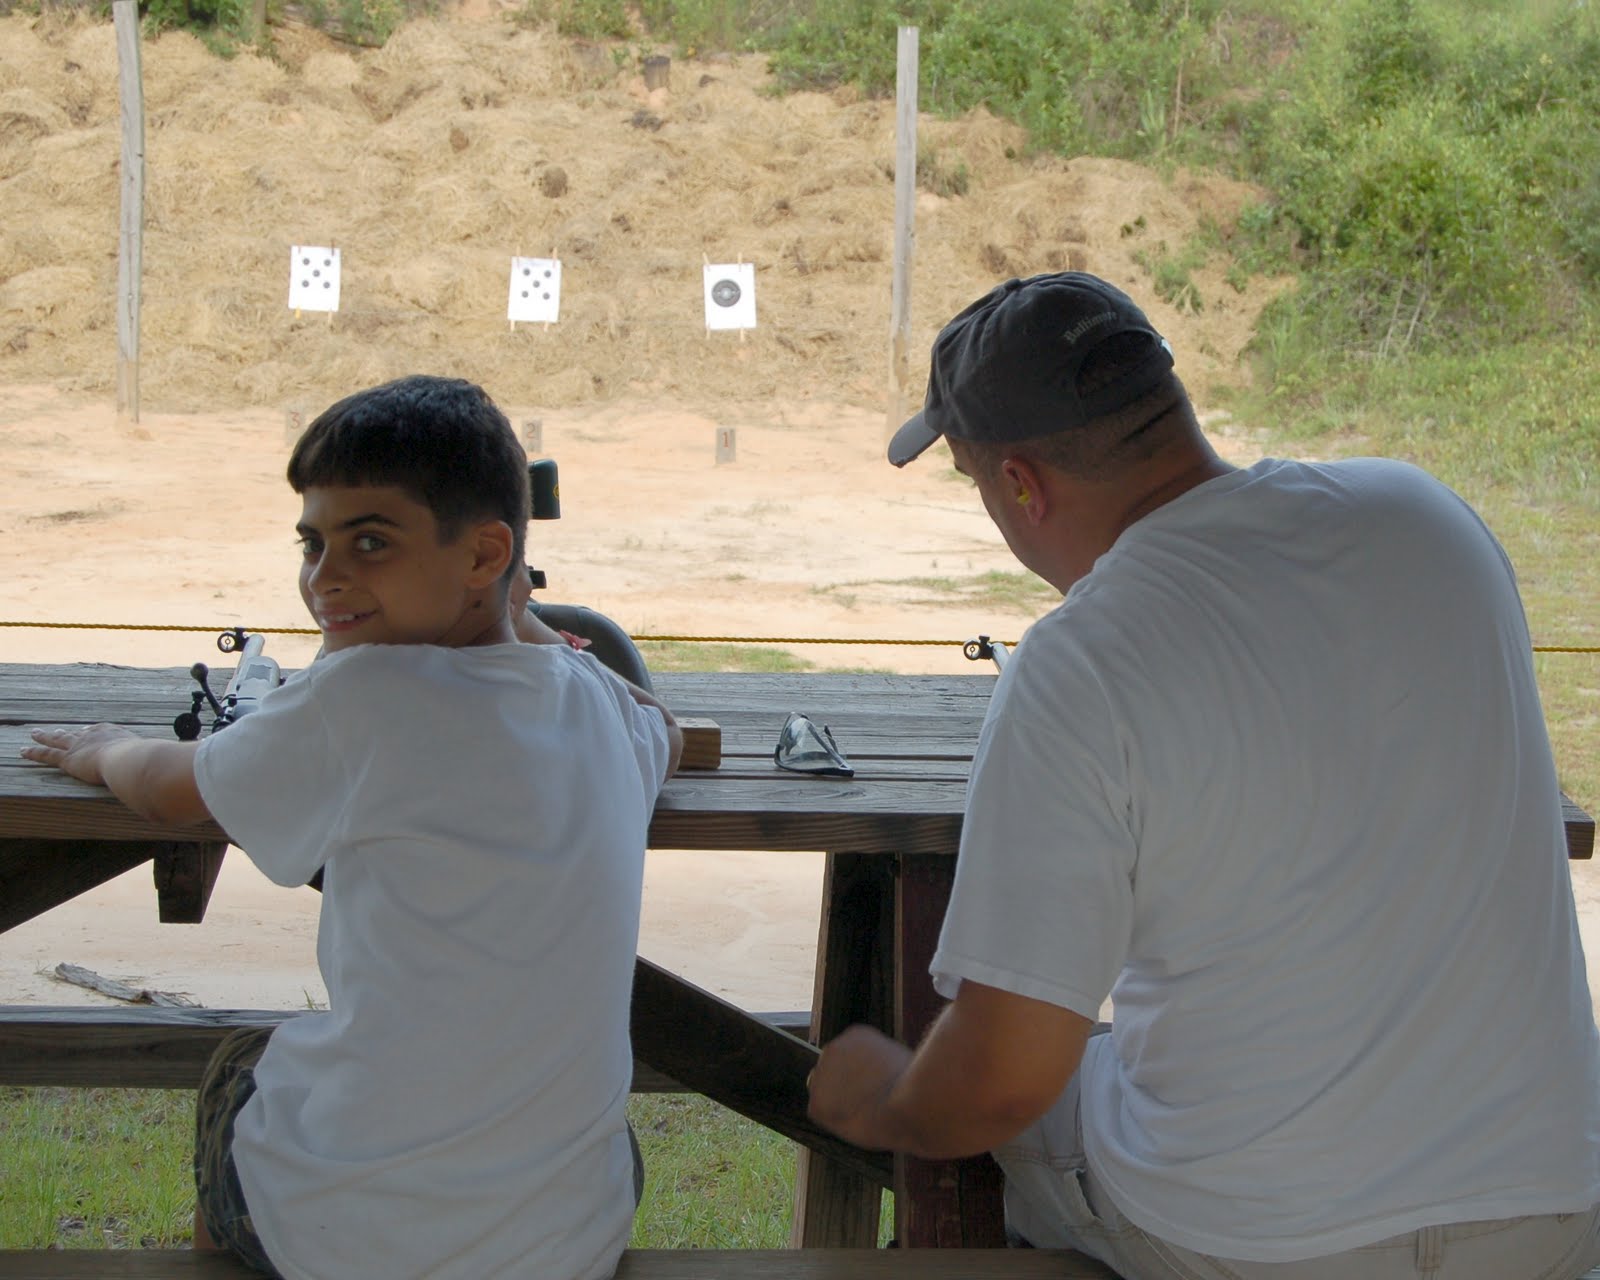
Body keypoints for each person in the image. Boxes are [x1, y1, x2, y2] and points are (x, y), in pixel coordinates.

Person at [805, 272, 1600, 1278]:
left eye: (976, 483)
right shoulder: (1430, 516)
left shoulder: (1083, 658)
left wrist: (882, 1095)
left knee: (1011, 1111)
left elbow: (1000, 1080)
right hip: (1552, 1203)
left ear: (1020, 484)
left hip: (1269, 1248)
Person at [24, 374, 683, 1280]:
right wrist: (518, 614)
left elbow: (172, 792)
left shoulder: (365, 692)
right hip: (566, 1238)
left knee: (241, 1070)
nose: (325, 578)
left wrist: (104, 750)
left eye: (370, 542)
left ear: (485, 552)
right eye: (314, 542)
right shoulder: (600, 709)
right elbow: (663, 728)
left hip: (354, 1234)